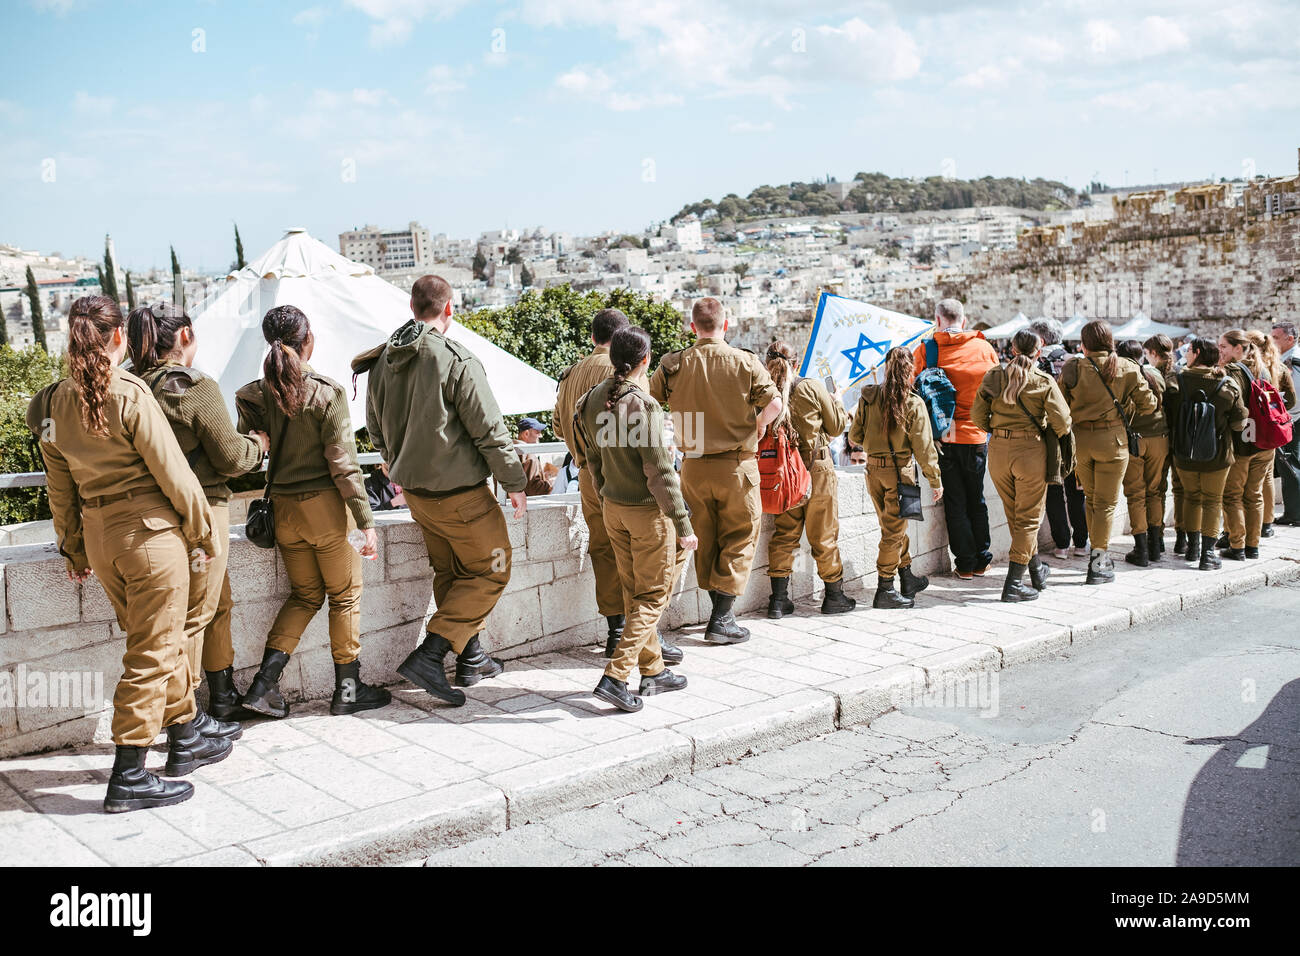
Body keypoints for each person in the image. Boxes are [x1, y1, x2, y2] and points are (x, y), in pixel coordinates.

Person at [27, 296, 224, 813]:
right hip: (150, 537)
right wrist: (204, 532)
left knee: (156, 637)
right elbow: (173, 472)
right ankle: (130, 773)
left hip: (100, 537)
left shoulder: (51, 406)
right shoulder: (129, 392)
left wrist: (73, 547)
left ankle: (184, 737)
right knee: (153, 651)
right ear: (118, 338)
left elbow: (59, 484)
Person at [355, 274, 528, 707]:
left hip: (416, 496)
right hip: (462, 496)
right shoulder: (456, 359)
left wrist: (400, 462)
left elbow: (375, 431)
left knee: (452, 574)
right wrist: (515, 484)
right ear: (449, 309)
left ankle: (470, 656)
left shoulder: (380, 362)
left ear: (413, 308)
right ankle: (431, 656)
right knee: (494, 569)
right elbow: (490, 431)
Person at [236, 305, 389, 719]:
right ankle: (349, 691)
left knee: (304, 596)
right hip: (327, 510)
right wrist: (365, 520)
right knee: (345, 596)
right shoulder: (327, 391)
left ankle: (263, 686)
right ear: (309, 341)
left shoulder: (251, 395)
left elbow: (245, 454)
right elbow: (343, 463)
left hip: (282, 512)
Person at [126, 303, 266, 729]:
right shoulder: (192, 386)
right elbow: (229, 458)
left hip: (150, 515)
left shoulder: (132, 384)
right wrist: (259, 443)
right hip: (202, 511)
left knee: (215, 605)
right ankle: (184, 722)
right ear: (185, 335)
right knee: (193, 618)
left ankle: (220, 696)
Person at [573, 326, 699, 713]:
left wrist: (607, 489)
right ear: (645, 360)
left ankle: (654, 669)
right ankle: (616, 676)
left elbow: (591, 459)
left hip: (613, 508)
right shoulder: (643, 405)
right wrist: (683, 524)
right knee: (652, 596)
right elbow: (661, 471)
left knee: (633, 594)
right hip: (647, 514)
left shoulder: (590, 400)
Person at [649, 297, 782, 643]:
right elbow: (776, 404)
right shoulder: (744, 361)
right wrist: (758, 427)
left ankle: (719, 616)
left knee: (703, 540)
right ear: (726, 325)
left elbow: (648, 401)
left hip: (692, 468)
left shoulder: (673, 364)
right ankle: (722, 618)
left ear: (693, 327)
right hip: (737, 467)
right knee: (739, 537)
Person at [553, 307, 681, 664]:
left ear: (594, 337)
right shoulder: (624, 374)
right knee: (645, 559)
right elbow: (645, 436)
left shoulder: (571, 375)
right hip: (627, 479)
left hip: (588, 475)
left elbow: (560, 428)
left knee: (605, 551)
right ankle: (644, 638)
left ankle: (615, 630)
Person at [971, 329, 1071, 602]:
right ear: (1039, 352)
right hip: (1030, 452)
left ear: (1012, 350)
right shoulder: (1043, 380)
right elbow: (1063, 423)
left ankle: (1036, 570)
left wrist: (1000, 427)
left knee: (1016, 515)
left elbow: (977, 415)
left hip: (999, 452)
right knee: (1028, 519)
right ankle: (1014, 583)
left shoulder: (994, 376)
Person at [1058, 320, 1158, 585]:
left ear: (1084, 343)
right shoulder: (1126, 367)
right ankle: (1099, 560)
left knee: (1092, 499)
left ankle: (1097, 552)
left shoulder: (1072, 368)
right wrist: (1124, 412)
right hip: (1113, 441)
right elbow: (1149, 405)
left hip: (1081, 441)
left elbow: (1060, 405)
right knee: (1105, 504)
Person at [762, 341, 854, 618]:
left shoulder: (763, 391)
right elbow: (837, 426)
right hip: (816, 467)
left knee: (785, 533)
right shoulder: (811, 386)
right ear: (796, 363)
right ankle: (834, 595)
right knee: (823, 532)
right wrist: (836, 400)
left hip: (783, 471)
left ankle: (778, 600)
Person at [849, 347, 943, 609]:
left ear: (887, 367)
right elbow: (925, 449)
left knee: (891, 527)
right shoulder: (912, 403)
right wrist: (935, 480)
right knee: (894, 531)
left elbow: (854, 437)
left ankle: (906, 576)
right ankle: (885, 588)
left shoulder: (868, 398)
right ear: (910, 369)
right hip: (900, 473)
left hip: (873, 472)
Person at [912, 298, 999, 579]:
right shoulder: (985, 348)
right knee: (977, 497)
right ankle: (982, 559)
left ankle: (964, 563)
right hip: (976, 435)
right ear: (963, 320)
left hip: (944, 437)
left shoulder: (926, 351)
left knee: (956, 501)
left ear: (937, 320)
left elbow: (912, 395)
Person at [1165, 338, 1248, 570]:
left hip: (1182, 453)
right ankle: (1208, 555)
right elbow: (1240, 423)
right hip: (1217, 454)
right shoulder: (1227, 385)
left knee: (1191, 497)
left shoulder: (1176, 380)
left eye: (1189, 350)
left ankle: (1192, 548)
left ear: (1198, 353)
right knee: (1212, 501)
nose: (1186, 354)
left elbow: (1167, 413)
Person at [1217, 328, 1292, 559]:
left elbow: (1226, 406)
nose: (1219, 351)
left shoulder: (1232, 371)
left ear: (1238, 349)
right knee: (1254, 494)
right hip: (1265, 443)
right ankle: (1253, 546)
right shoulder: (1264, 371)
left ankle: (1237, 546)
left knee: (1232, 495)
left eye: (1223, 347)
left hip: (1243, 445)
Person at [1032, 318, 1087, 559]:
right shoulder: (1076, 362)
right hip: (1075, 434)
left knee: (1054, 489)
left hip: (1049, 436)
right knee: (1077, 490)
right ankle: (1082, 542)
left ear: (1040, 340)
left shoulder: (1038, 365)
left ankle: (1062, 543)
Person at [1116, 339, 1169, 566]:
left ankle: (1141, 549)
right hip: (1161, 438)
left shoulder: (1121, 376)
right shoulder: (1155, 375)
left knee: (1136, 494)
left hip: (1135, 440)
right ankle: (1156, 545)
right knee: (1155, 491)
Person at [1248, 328, 1296, 539]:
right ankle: (1267, 524)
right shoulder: (1280, 367)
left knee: (1245, 482)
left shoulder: (1248, 368)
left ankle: (1247, 527)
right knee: (1267, 477)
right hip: (1271, 429)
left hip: (1249, 429)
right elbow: (1292, 400)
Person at [1143, 334, 1185, 554]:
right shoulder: (1181, 373)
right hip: (1180, 439)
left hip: (1159, 437)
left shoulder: (1149, 375)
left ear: (1153, 353)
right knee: (1181, 489)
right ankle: (1182, 537)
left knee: (1156, 489)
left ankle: (1156, 538)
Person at [1270, 321, 1300, 525]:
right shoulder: (1285, 359)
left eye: (1276, 338)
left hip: (1292, 421)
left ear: (1290, 339)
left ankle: (1295, 514)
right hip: (1289, 420)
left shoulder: (1294, 361)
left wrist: (1285, 418)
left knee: (1291, 466)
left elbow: (1295, 397)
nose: (1272, 342)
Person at [516, 416, 557, 496]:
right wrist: (550, 483)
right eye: (537, 432)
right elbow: (534, 489)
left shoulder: (509, 450)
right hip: (526, 505)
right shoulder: (529, 454)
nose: (541, 436)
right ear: (526, 434)